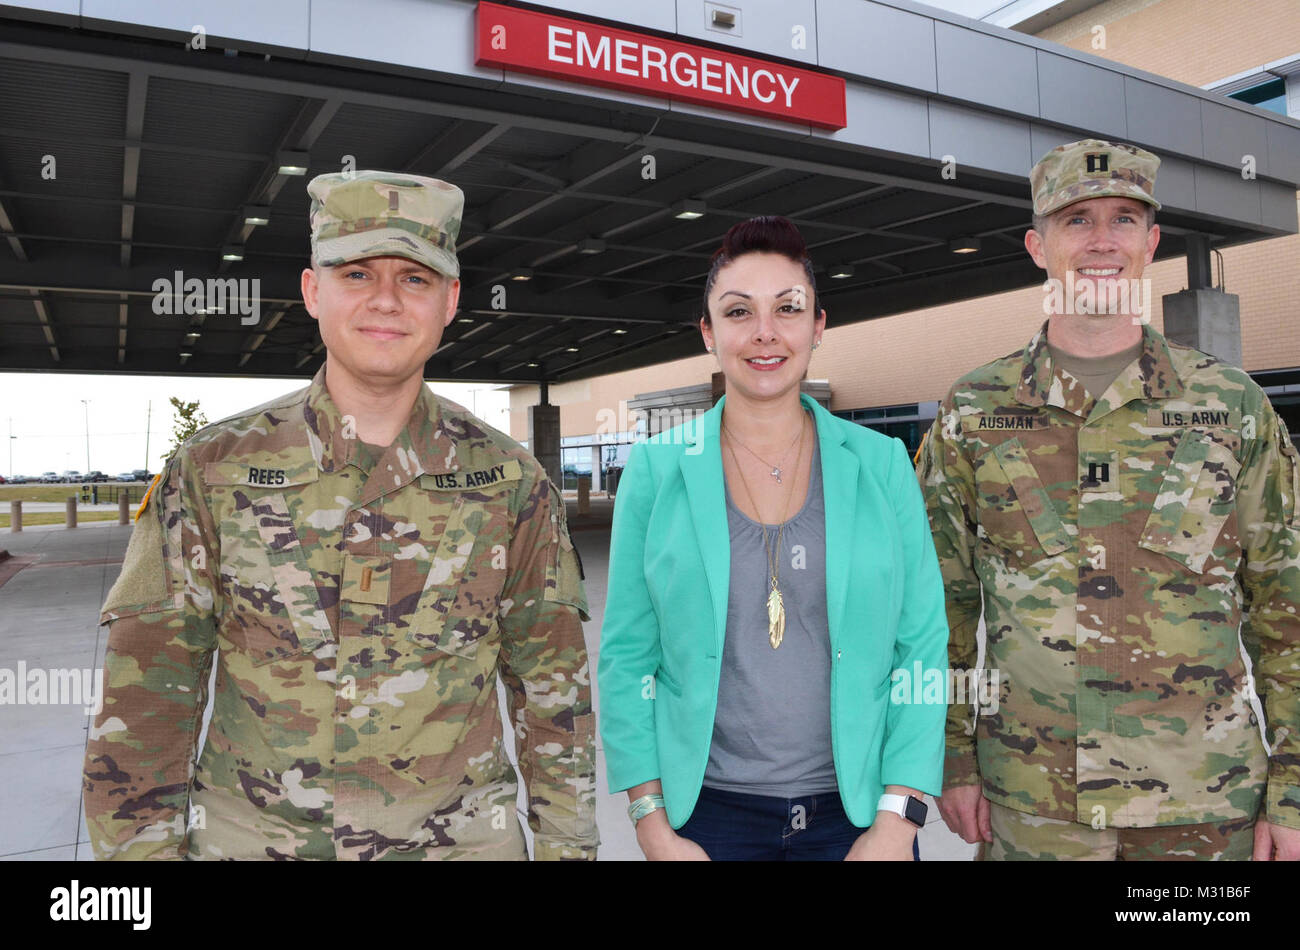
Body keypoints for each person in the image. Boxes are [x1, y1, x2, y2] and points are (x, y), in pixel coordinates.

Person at [82, 171, 598, 861]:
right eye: (356, 272)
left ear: (449, 301)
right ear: (312, 291)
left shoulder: (512, 483)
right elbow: (144, 711)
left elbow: (555, 701)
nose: (386, 300)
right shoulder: (208, 472)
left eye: (415, 278)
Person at [919, 138, 1300, 860]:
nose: (1102, 241)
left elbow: (1288, 605)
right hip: (1031, 804)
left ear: (1151, 242)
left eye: (1123, 219)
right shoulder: (974, 411)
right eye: (1077, 220)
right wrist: (952, 755)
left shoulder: (1229, 405)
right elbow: (936, 606)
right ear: (1038, 245)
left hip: (1203, 801)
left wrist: (1294, 786)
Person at [598, 216, 948, 860]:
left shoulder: (882, 465)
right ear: (708, 332)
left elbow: (920, 645)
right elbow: (627, 657)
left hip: (858, 817)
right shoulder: (656, 470)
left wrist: (900, 820)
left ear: (818, 325)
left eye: (788, 309)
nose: (765, 333)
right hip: (705, 819)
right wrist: (651, 823)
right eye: (738, 312)